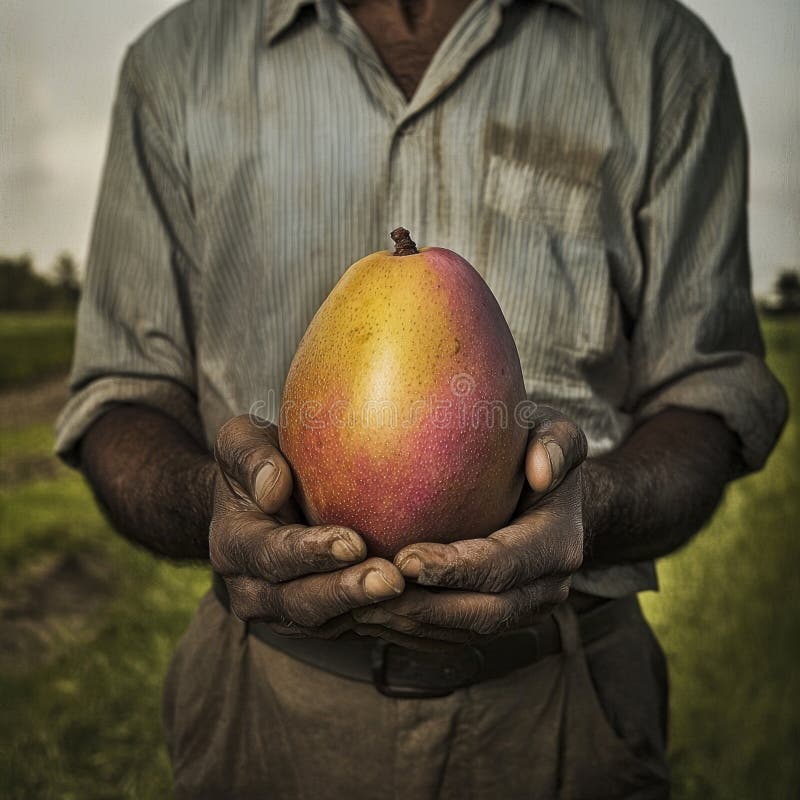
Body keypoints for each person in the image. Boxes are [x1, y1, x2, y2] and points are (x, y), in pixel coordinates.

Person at [55, 0, 787, 797]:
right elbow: (119, 397)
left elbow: (709, 393)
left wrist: (591, 508)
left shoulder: (662, 56)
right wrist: (214, 503)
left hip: (564, 704)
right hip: (264, 701)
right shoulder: (178, 63)